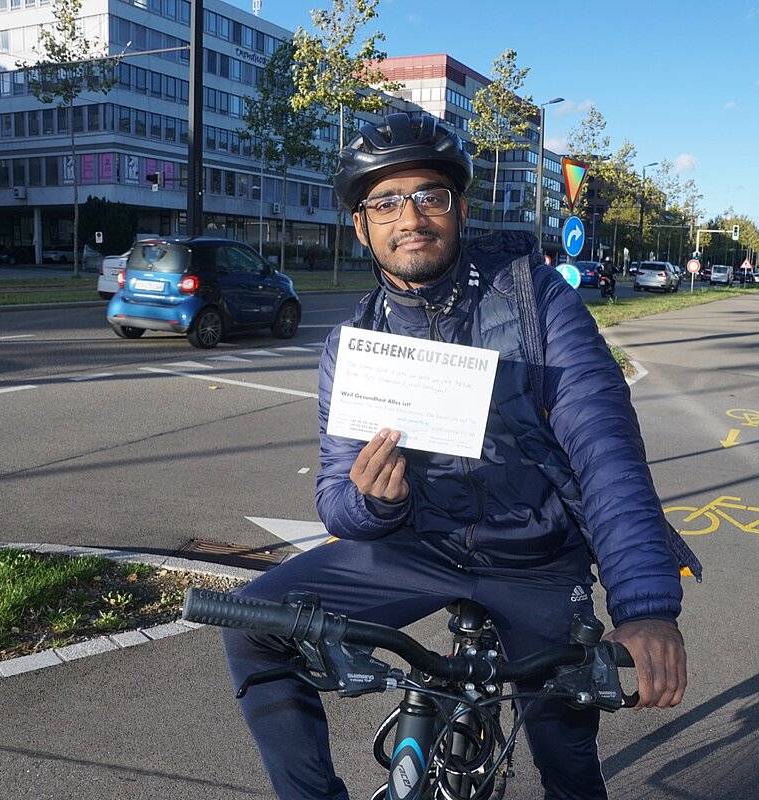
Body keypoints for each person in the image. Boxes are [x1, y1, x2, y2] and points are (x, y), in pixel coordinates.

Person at [222, 112, 696, 800]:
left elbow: (608, 452)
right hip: (418, 544)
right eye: (383, 202)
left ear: (459, 208)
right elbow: (334, 496)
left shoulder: (539, 301)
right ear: (361, 226)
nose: (408, 216)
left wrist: (647, 606)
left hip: (536, 558)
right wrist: (373, 501)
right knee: (254, 627)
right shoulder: (353, 344)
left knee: (566, 756)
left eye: (428, 195)